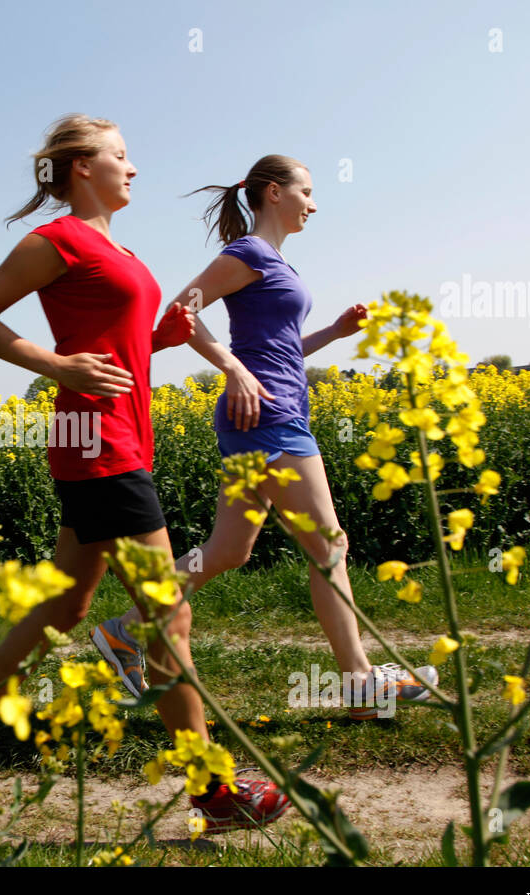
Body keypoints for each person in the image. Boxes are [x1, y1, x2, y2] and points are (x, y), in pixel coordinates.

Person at [0, 115, 288, 831]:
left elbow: (122, 345)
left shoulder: (117, 248)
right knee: (168, 614)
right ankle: (212, 790)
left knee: (67, 608)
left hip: (118, 441)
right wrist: (56, 364)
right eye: (121, 157)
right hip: (97, 445)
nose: (133, 169)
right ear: (81, 169)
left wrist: (165, 334)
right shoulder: (59, 240)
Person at [90, 153, 438, 719]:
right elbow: (181, 309)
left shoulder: (274, 261)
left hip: (266, 412)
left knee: (229, 550)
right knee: (330, 546)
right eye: (307, 191)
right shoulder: (248, 252)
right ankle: (359, 684)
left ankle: (126, 631)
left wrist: (333, 331)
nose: (314, 203)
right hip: (267, 417)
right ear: (274, 193)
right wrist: (231, 369)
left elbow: (277, 353)